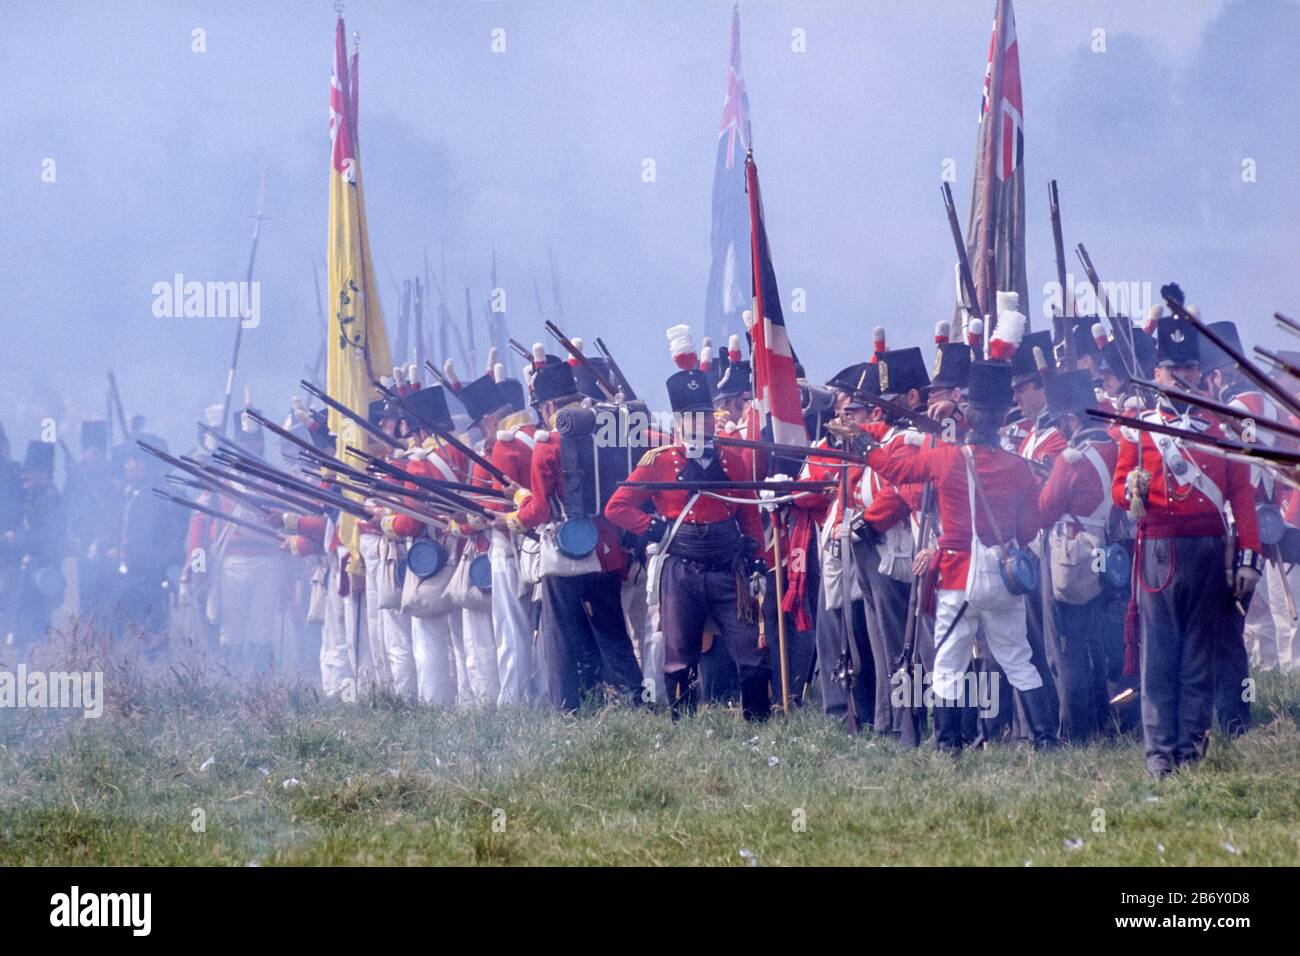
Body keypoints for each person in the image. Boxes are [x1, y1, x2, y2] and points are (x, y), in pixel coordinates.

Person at [869, 361, 1057, 751]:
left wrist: (863, 443)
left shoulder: (946, 458)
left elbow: (896, 470)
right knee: (1018, 659)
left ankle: (948, 745)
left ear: (969, 414)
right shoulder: (1018, 467)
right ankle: (1046, 740)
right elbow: (1029, 527)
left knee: (949, 665)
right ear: (1004, 417)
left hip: (956, 575)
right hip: (1003, 576)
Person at [1111, 314, 1262, 777]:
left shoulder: (1225, 428)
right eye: (1171, 367)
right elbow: (1119, 490)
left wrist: (1249, 559)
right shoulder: (1137, 427)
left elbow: (1243, 498)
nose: (1180, 375)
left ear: (1199, 372)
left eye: (1188, 368)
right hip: (1157, 549)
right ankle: (1160, 759)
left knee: (1199, 659)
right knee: (1158, 660)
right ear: (1156, 372)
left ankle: (1191, 753)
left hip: (1209, 549)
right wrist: (1131, 490)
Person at [605, 355, 771, 720]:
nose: (703, 422)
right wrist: (653, 528)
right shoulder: (658, 461)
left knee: (751, 649)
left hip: (731, 569)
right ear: (680, 422)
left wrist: (759, 557)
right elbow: (616, 507)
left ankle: (759, 721)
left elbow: (747, 511)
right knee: (679, 655)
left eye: (706, 414)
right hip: (681, 571)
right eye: (693, 416)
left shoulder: (733, 460)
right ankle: (684, 726)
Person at [507, 357, 643, 712]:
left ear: (549, 406)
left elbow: (539, 510)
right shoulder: (611, 431)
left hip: (566, 553)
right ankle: (635, 700)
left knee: (562, 639)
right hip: (608, 549)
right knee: (614, 634)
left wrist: (515, 515)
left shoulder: (547, 445)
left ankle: (569, 708)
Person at [1037, 370, 1117, 743]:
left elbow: (1045, 509)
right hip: (1106, 555)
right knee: (1096, 644)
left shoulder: (1070, 459)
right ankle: (1105, 721)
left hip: (1072, 559)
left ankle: (1077, 732)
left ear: (1071, 419)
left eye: (1060, 422)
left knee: (1066, 649)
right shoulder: (1115, 447)